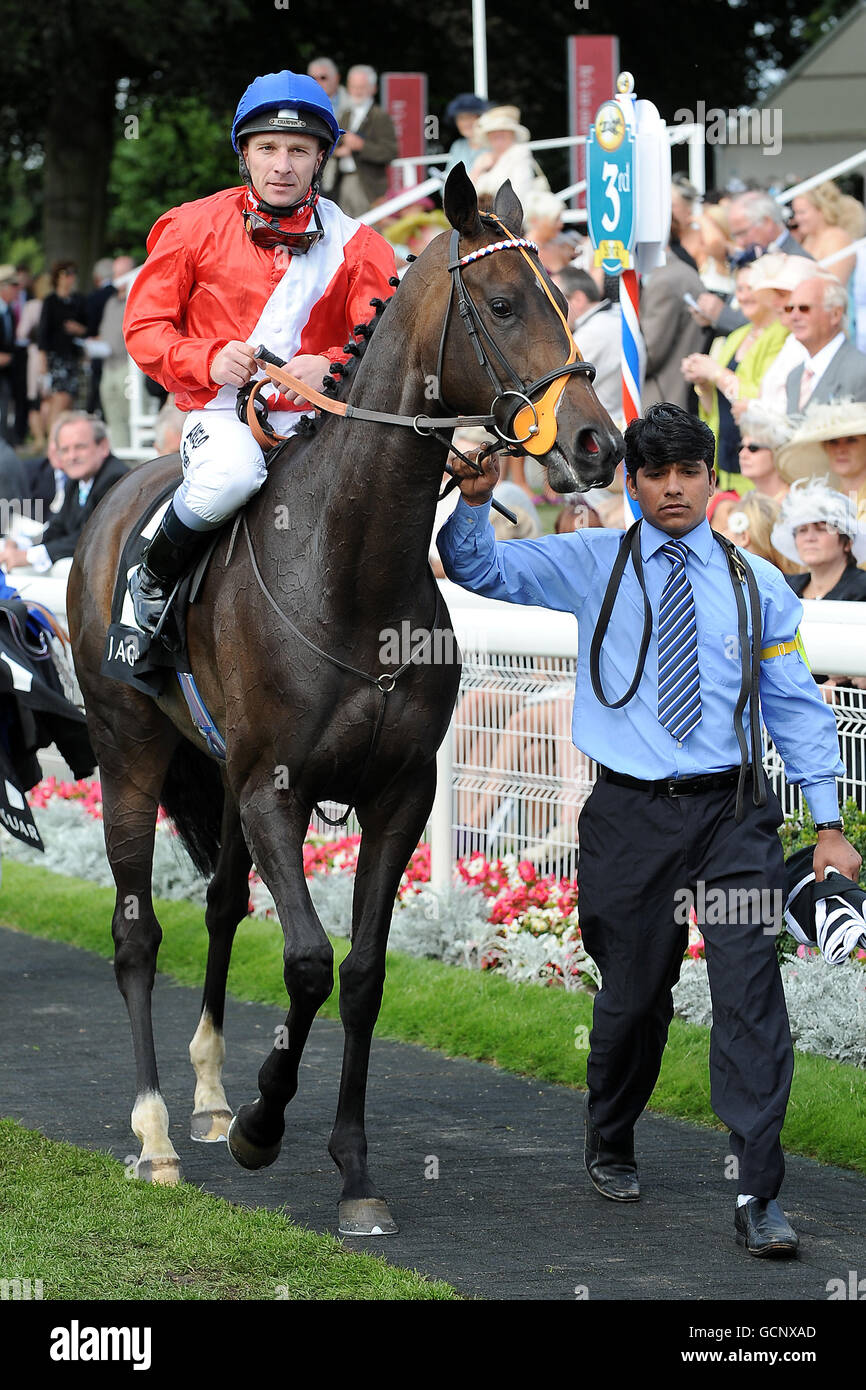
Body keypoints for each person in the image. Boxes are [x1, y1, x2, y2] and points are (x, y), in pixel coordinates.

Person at [438, 401, 860, 1258]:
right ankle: (611, 1130)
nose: (672, 489)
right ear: (630, 482)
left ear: (713, 481)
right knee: (633, 999)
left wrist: (827, 823)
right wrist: (475, 499)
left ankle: (757, 1189)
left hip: (734, 820)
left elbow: (794, 708)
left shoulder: (758, 584)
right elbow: (476, 568)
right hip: (628, 818)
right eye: (655, 474)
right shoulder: (589, 560)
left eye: (688, 473)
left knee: (750, 996)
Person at [122, 69, 397, 634]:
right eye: (267, 147)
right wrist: (207, 359)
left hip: (320, 419)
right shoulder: (190, 226)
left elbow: (387, 346)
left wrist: (335, 365)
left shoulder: (362, 246)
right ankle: (151, 575)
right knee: (230, 477)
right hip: (222, 412)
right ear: (244, 153)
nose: (282, 164)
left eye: (299, 149)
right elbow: (144, 329)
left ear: (321, 158)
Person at [681, 261, 789, 489]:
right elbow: (713, 410)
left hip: (760, 462)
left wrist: (716, 373)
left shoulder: (782, 334)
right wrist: (703, 383)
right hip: (727, 460)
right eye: (740, 289)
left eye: (752, 288)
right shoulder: (737, 335)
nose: (744, 296)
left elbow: (764, 399)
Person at [0, 413, 126, 578]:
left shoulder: (116, 480)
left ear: (103, 446)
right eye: (65, 450)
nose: (72, 456)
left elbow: (93, 538)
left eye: (80, 447)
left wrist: (29, 556)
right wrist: (23, 543)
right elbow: (58, 526)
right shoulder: (76, 480)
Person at [692, 191, 812, 337]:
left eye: (743, 233)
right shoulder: (757, 252)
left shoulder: (796, 262)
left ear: (767, 222)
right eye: (734, 235)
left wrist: (721, 315)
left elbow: (780, 322)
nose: (740, 242)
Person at [783, 274, 866, 415]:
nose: (794, 316)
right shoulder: (794, 377)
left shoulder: (860, 372)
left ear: (835, 314)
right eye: (790, 308)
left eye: (804, 308)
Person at [330, 66, 398, 218]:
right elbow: (331, 144)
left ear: (373, 88)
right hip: (343, 181)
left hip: (368, 185)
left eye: (362, 87)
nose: (357, 91)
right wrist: (338, 152)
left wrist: (361, 146)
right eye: (353, 87)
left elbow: (390, 152)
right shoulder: (345, 115)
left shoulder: (380, 116)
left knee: (368, 227)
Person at [37, 261, 89, 431]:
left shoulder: (78, 300)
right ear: (57, 277)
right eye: (66, 274)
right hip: (57, 356)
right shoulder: (50, 301)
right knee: (60, 399)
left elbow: (88, 327)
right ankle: (53, 441)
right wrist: (43, 361)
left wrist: (78, 329)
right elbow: (43, 333)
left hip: (73, 355)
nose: (70, 278)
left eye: (73, 274)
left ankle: (60, 438)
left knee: (70, 401)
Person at [470, 106, 549, 208]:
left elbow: (520, 193)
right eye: (493, 131)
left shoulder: (519, 154)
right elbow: (466, 191)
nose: (497, 134)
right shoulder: (483, 158)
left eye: (503, 130)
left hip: (509, 218)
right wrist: (478, 169)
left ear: (512, 133)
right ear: (487, 135)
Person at [790, 181, 865, 287]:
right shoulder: (809, 238)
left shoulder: (838, 238)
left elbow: (833, 287)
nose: (796, 218)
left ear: (821, 210)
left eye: (802, 212)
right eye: (795, 212)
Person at [443, 93, 491, 175]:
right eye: (461, 118)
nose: (466, 123)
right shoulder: (458, 146)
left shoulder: (493, 144)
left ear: (481, 118)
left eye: (470, 117)